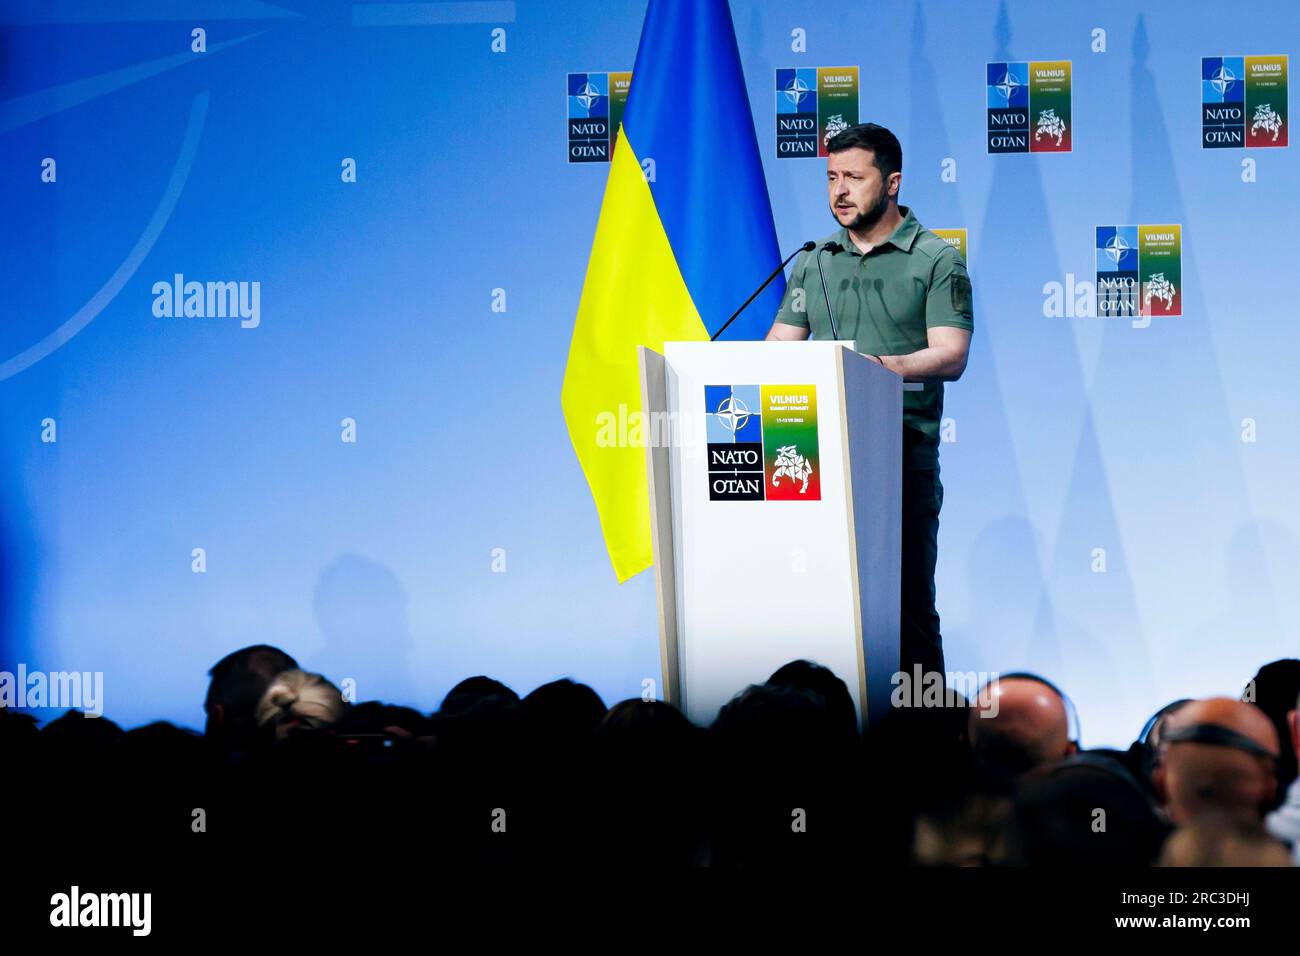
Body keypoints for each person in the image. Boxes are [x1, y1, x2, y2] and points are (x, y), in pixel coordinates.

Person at [766, 122, 972, 679]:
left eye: (854, 177)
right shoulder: (814, 258)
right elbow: (777, 352)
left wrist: (881, 371)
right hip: (815, 461)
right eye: (831, 178)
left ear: (893, 182)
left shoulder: (936, 259)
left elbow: (951, 354)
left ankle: (924, 746)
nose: (839, 190)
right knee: (816, 606)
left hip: (900, 459)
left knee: (907, 613)